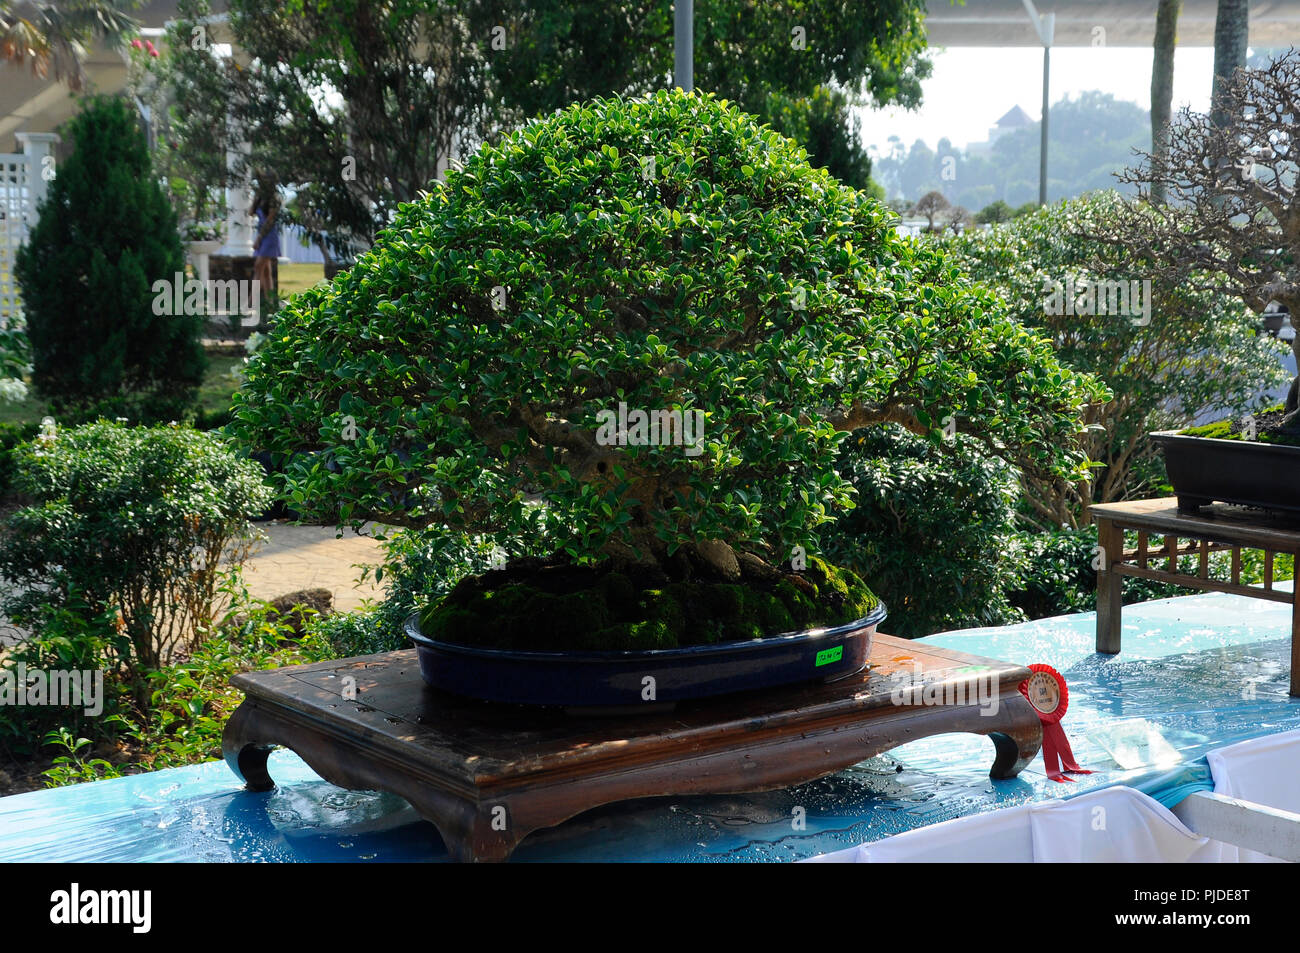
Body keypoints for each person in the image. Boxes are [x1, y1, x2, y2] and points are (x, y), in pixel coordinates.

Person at [251, 184, 280, 299]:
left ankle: (251, 302)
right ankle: (270, 304)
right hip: (262, 236)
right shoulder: (260, 199)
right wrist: (255, 197)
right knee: (266, 271)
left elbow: (269, 222)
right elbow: (250, 212)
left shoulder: (274, 200)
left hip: (269, 236)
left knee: (258, 266)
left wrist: (258, 239)